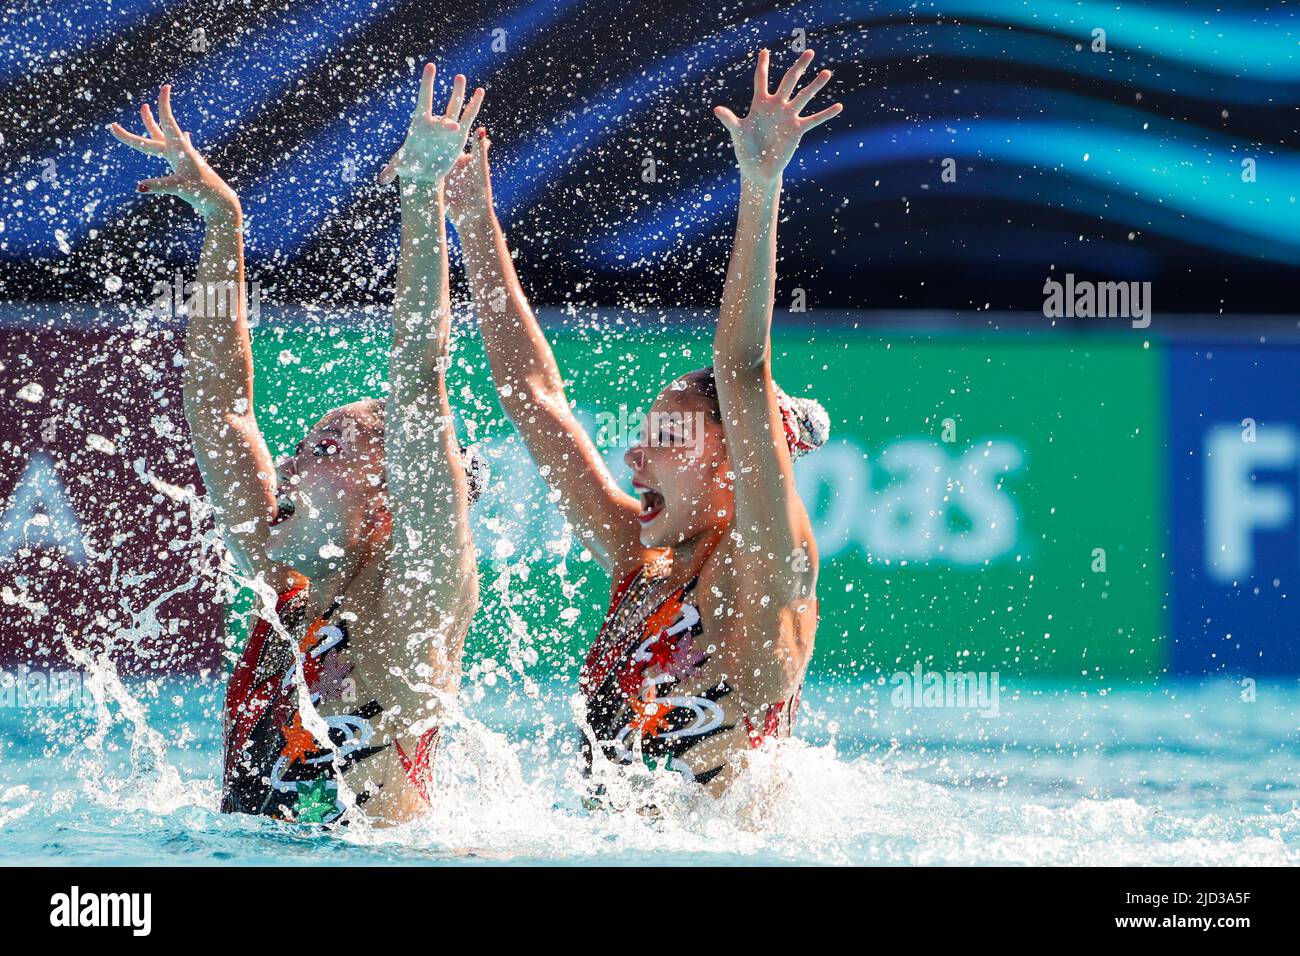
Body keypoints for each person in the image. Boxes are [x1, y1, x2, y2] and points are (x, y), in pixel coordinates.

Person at [444, 49, 840, 795]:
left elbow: (744, 371)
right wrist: (473, 224)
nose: (634, 459)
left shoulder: (767, 573)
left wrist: (761, 187)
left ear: (735, 459)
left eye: (667, 440)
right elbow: (533, 393)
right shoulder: (639, 561)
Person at [111, 64, 487, 824]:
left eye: (322, 449)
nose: (286, 463)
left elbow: (419, 381)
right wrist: (223, 224)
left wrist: (420, 197)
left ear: (391, 486)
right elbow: (222, 410)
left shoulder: (415, 596)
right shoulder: (286, 582)